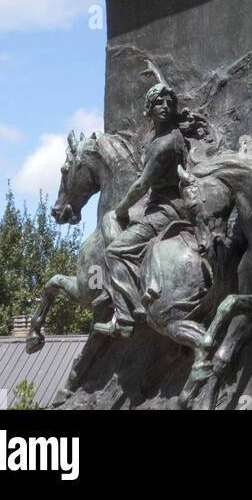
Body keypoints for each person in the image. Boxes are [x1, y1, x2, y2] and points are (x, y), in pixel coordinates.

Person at [94, 81, 188, 338]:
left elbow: (141, 185)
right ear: (149, 108)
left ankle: (125, 317)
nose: (165, 106)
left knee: (115, 250)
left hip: (165, 211)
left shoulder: (163, 144)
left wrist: (121, 210)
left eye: (169, 102)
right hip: (171, 207)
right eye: (159, 102)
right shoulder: (174, 136)